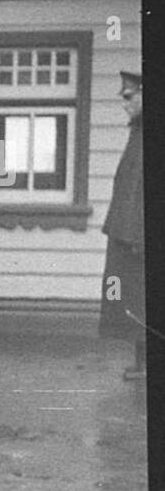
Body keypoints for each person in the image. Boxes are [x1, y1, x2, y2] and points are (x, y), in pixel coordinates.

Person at [100, 70, 145, 380]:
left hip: (138, 234)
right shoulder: (138, 131)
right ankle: (143, 361)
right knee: (132, 297)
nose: (124, 104)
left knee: (141, 296)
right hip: (128, 230)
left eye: (129, 97)